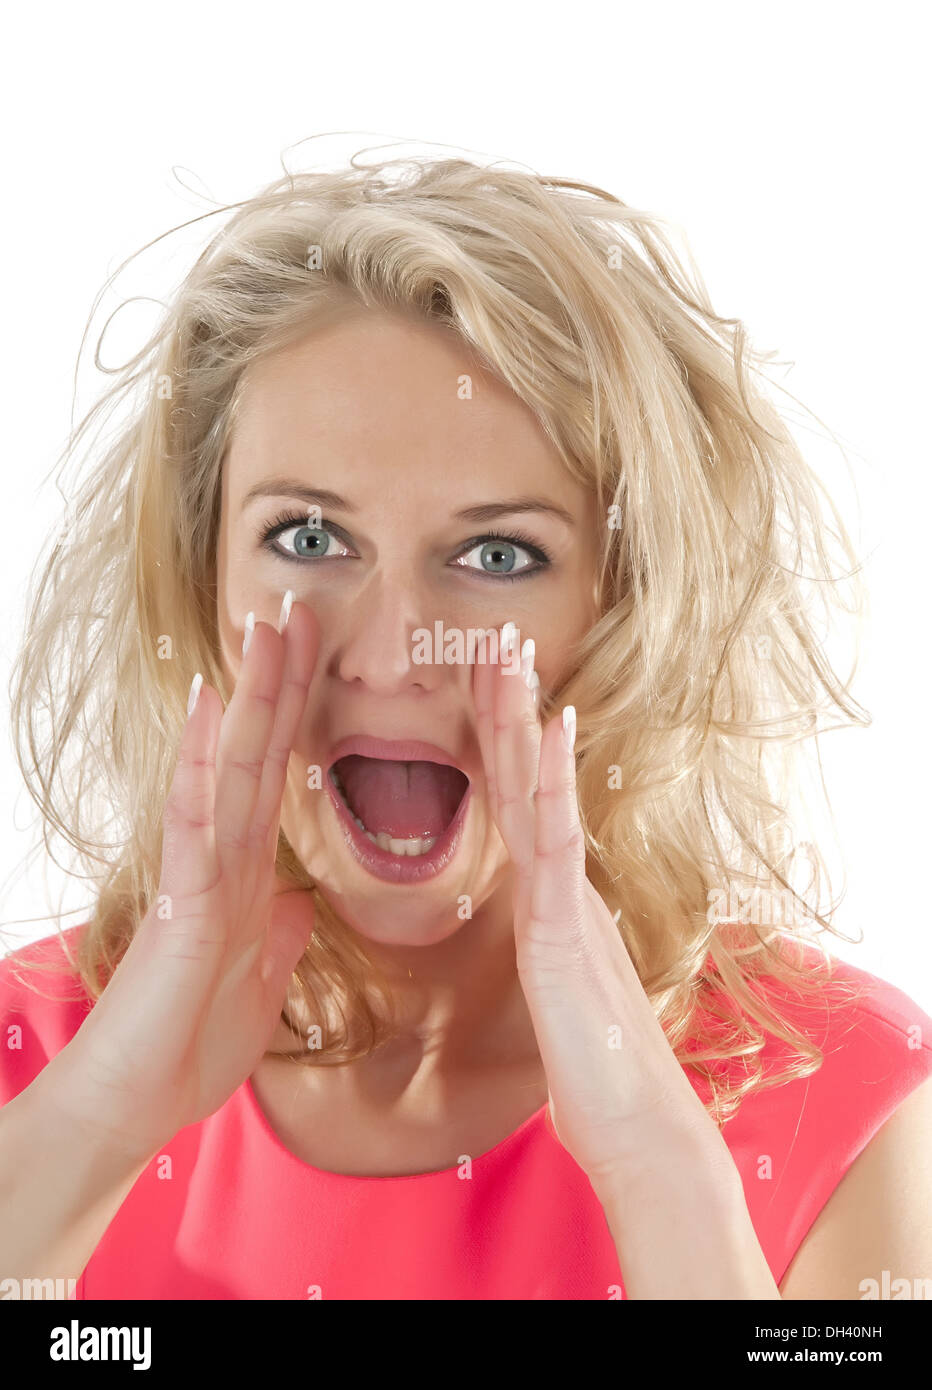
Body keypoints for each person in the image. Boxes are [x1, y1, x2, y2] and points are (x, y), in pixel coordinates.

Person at [1, 152, 930, 1301]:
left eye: (498, 555)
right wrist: (95, 1119)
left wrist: (658, 1167)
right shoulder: (32, 1057)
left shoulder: (839, 1092)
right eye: (306, 538)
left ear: (625, 606)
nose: (394, 654)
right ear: (202, 580)